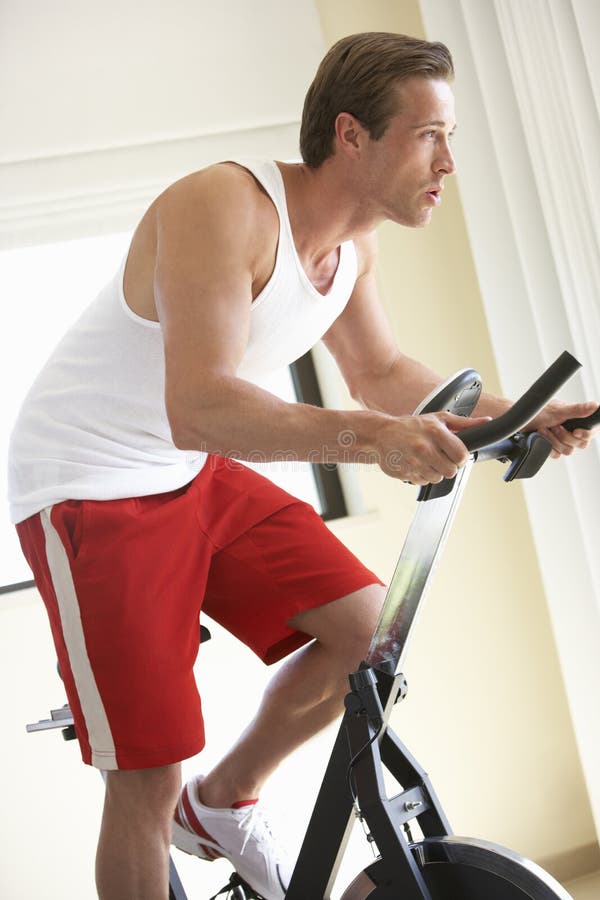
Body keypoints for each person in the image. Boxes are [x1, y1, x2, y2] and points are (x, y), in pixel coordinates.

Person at [7, 31, 597, 900]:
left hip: (188, 469)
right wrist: (374, 439)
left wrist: (515, 416)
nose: (448, 163)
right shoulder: (226, 204)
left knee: (371, 636)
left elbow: (384, 375)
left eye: (452, 139)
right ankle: (181, 799)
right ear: (352, 135)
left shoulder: (350, 248)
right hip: (90, 486)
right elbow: (201, 403)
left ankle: (223, 802)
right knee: (144, 778)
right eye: (430, 135)